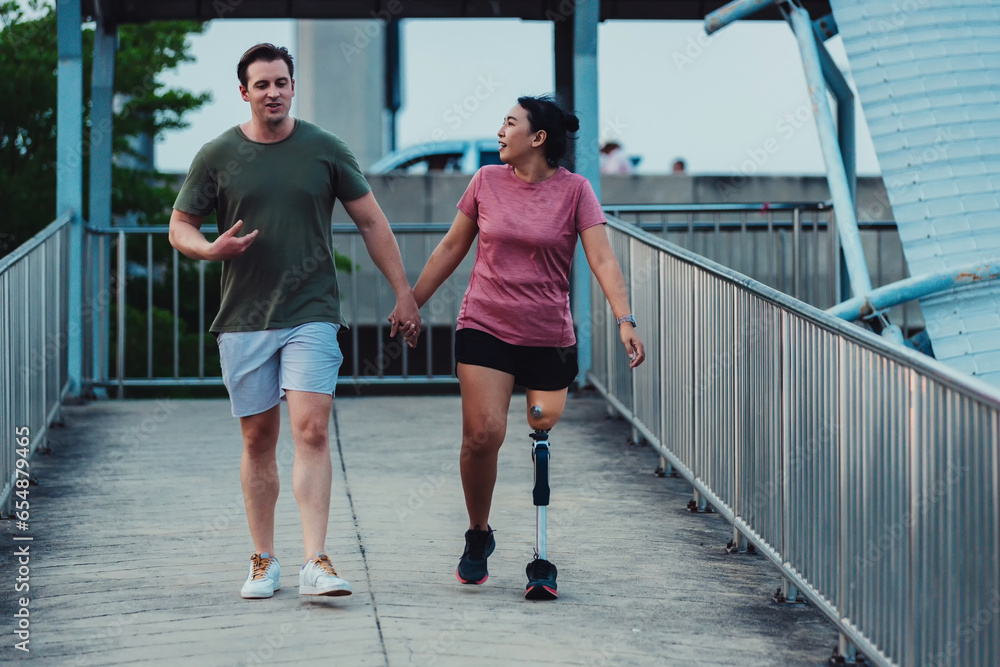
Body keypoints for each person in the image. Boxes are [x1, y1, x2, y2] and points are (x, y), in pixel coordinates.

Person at [168, 43, 420, 600]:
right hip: (245, 315)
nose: (273, 92)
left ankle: (316, 561)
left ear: (292, 86)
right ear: (244, 92)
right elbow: (179, 224)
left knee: (311, 427)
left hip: (312, 310)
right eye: (262, 85)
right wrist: (209, 250)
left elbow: (374, 223)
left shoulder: (325, 149)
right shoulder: (217, 154)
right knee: (259, 439)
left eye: (281, 82)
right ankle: (264, 560)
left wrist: (403, 291)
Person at [393, 95, 645, 599]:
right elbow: (450, 246)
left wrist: (625, 319)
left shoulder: (576, 191)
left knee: (541, 433)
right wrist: (411, 302)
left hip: (549, 336)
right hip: (485, 324)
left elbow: (602, 259)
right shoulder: (485, 181)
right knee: (483, 434)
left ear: (538, 138)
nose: (500, 132)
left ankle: (540, 546)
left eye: (510, 124)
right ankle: (481, 534)